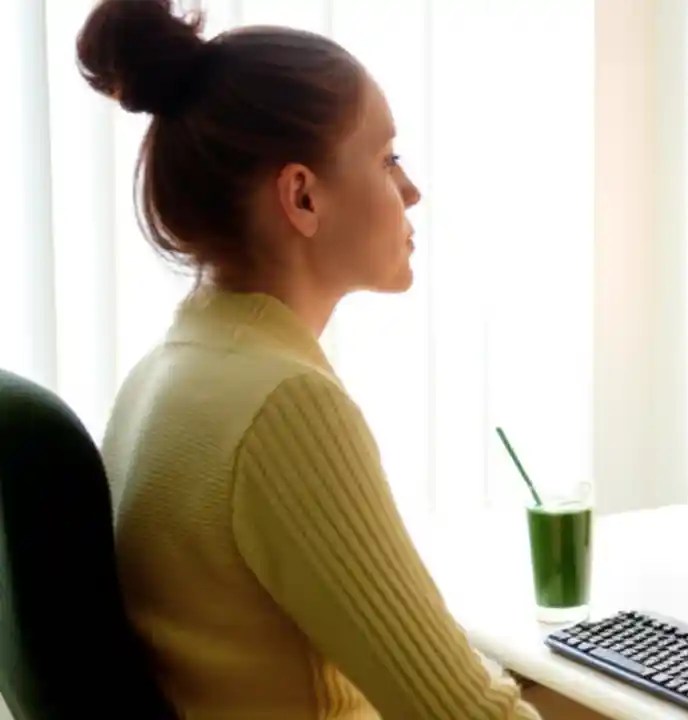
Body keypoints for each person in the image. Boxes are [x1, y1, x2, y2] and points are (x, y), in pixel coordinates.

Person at [80, 1, 545, 717]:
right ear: (301, 196)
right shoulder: (283, 406)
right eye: (388, 159)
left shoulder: (171, 370)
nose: (411, 190)